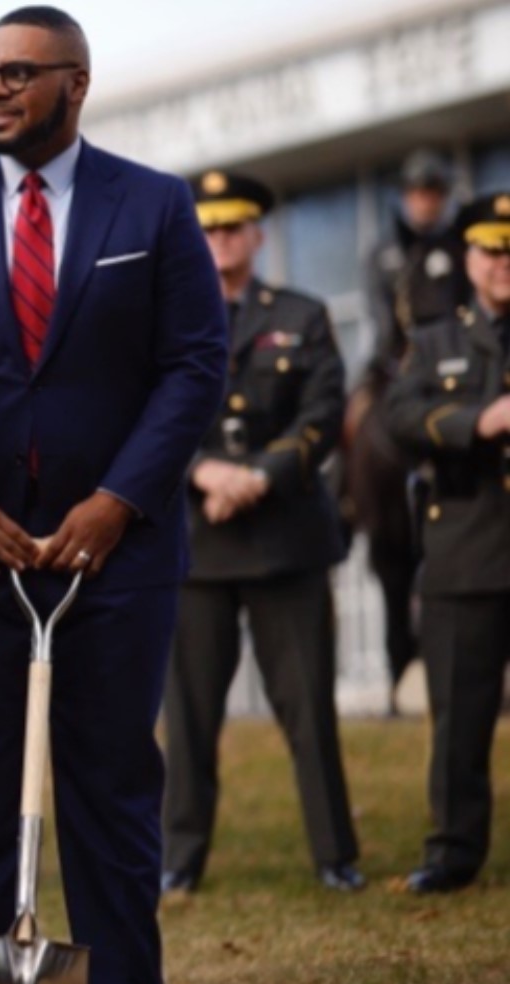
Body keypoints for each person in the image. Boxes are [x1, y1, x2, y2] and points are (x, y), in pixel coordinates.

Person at [0, 6, 227, 984]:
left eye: (18, 74)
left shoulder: (156, 207)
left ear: (76, 83)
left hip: (114, 555)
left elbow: (194, 364)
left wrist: (119, 501)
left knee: (113, 784)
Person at [161, 171, 362, 895]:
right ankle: (180, 859)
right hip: (197, 542)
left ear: (257, 233)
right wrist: (204, 473)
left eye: (233, 227)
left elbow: (323, 408)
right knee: (188, 718)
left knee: (309, 707)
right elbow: (144, 414)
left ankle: (336, 855)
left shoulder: (303, 315)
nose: (221, 241)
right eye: (209, 229)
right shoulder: (165, 318)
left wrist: (259, 477)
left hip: (286, 539)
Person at [382, 190, 510, 896]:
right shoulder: (434, 341)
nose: (503, 265)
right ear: (470, 257)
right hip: (465, 548)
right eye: (492, 251)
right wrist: (476, 420)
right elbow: (398, 418)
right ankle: (454, 849)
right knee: (459, 716)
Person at [349, 148, 469, 710]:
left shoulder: (459, 246)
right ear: (405, 194)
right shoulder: (384, 251)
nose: (426, 200)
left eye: (434, 191)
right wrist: (395, 359)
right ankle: (341, 502)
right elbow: (377, 313)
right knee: (349, 416)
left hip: (453, 368)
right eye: (419, 191)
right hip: (392, 362)